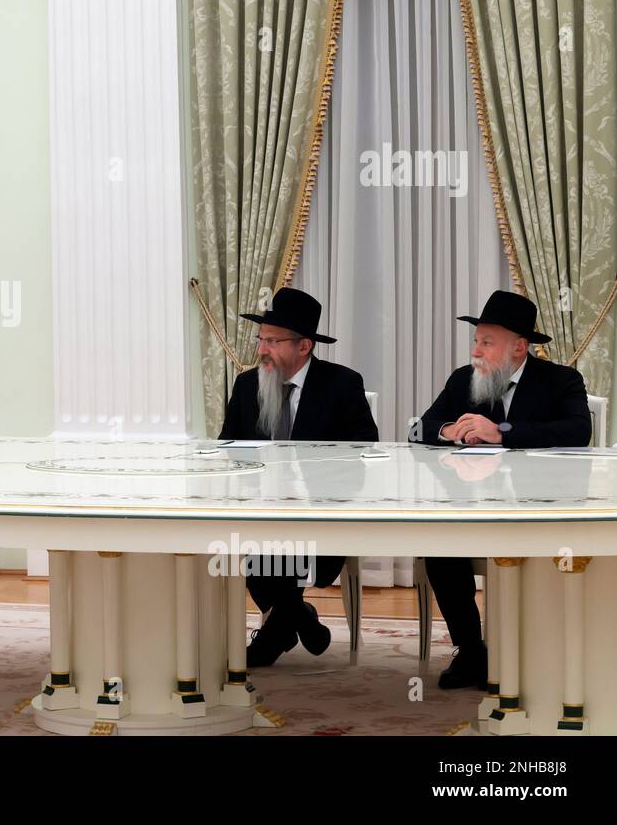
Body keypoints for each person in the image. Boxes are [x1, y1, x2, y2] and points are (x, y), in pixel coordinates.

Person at [414, 290, 591, 689]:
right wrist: (448, 430)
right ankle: (471, 651)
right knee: (439, 547)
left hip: (540, 505)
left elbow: (578, 431)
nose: (476, 350)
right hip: (474, 503)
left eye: (486, 342)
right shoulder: (464, 380)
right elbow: (422, 427)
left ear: (518, 348)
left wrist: (502, 432)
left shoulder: (561, 380)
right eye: (476, 340)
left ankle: (541, 649)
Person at [220, 287, 378, 667]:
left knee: (269, 546)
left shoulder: (341, 384)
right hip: (261, 509)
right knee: (248, 540)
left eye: (273, 341)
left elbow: (364, 448)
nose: (262, 350)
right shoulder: (247, 386)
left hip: (321, 509)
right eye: (262, 339)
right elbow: (227, 448)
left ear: (304, 346)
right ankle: (297, 615)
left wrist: (307, 486)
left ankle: (279, 627)